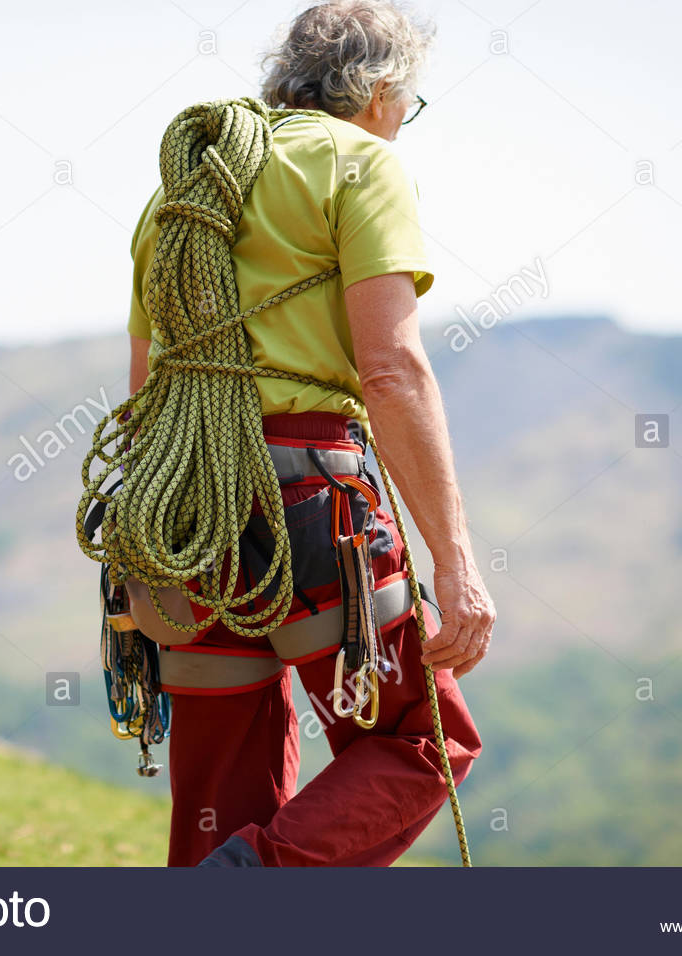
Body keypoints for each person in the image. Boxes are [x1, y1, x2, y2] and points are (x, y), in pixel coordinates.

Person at [123, 0, 496, 867]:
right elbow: (391, 370)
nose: (404, 121)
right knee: (424, 741)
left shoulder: (181, 196)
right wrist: (457, 560)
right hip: (311, 500)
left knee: (219, 800)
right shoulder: (360, 163)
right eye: (410, 103)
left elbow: (148, 394)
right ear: (377, 91)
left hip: (185, 517)